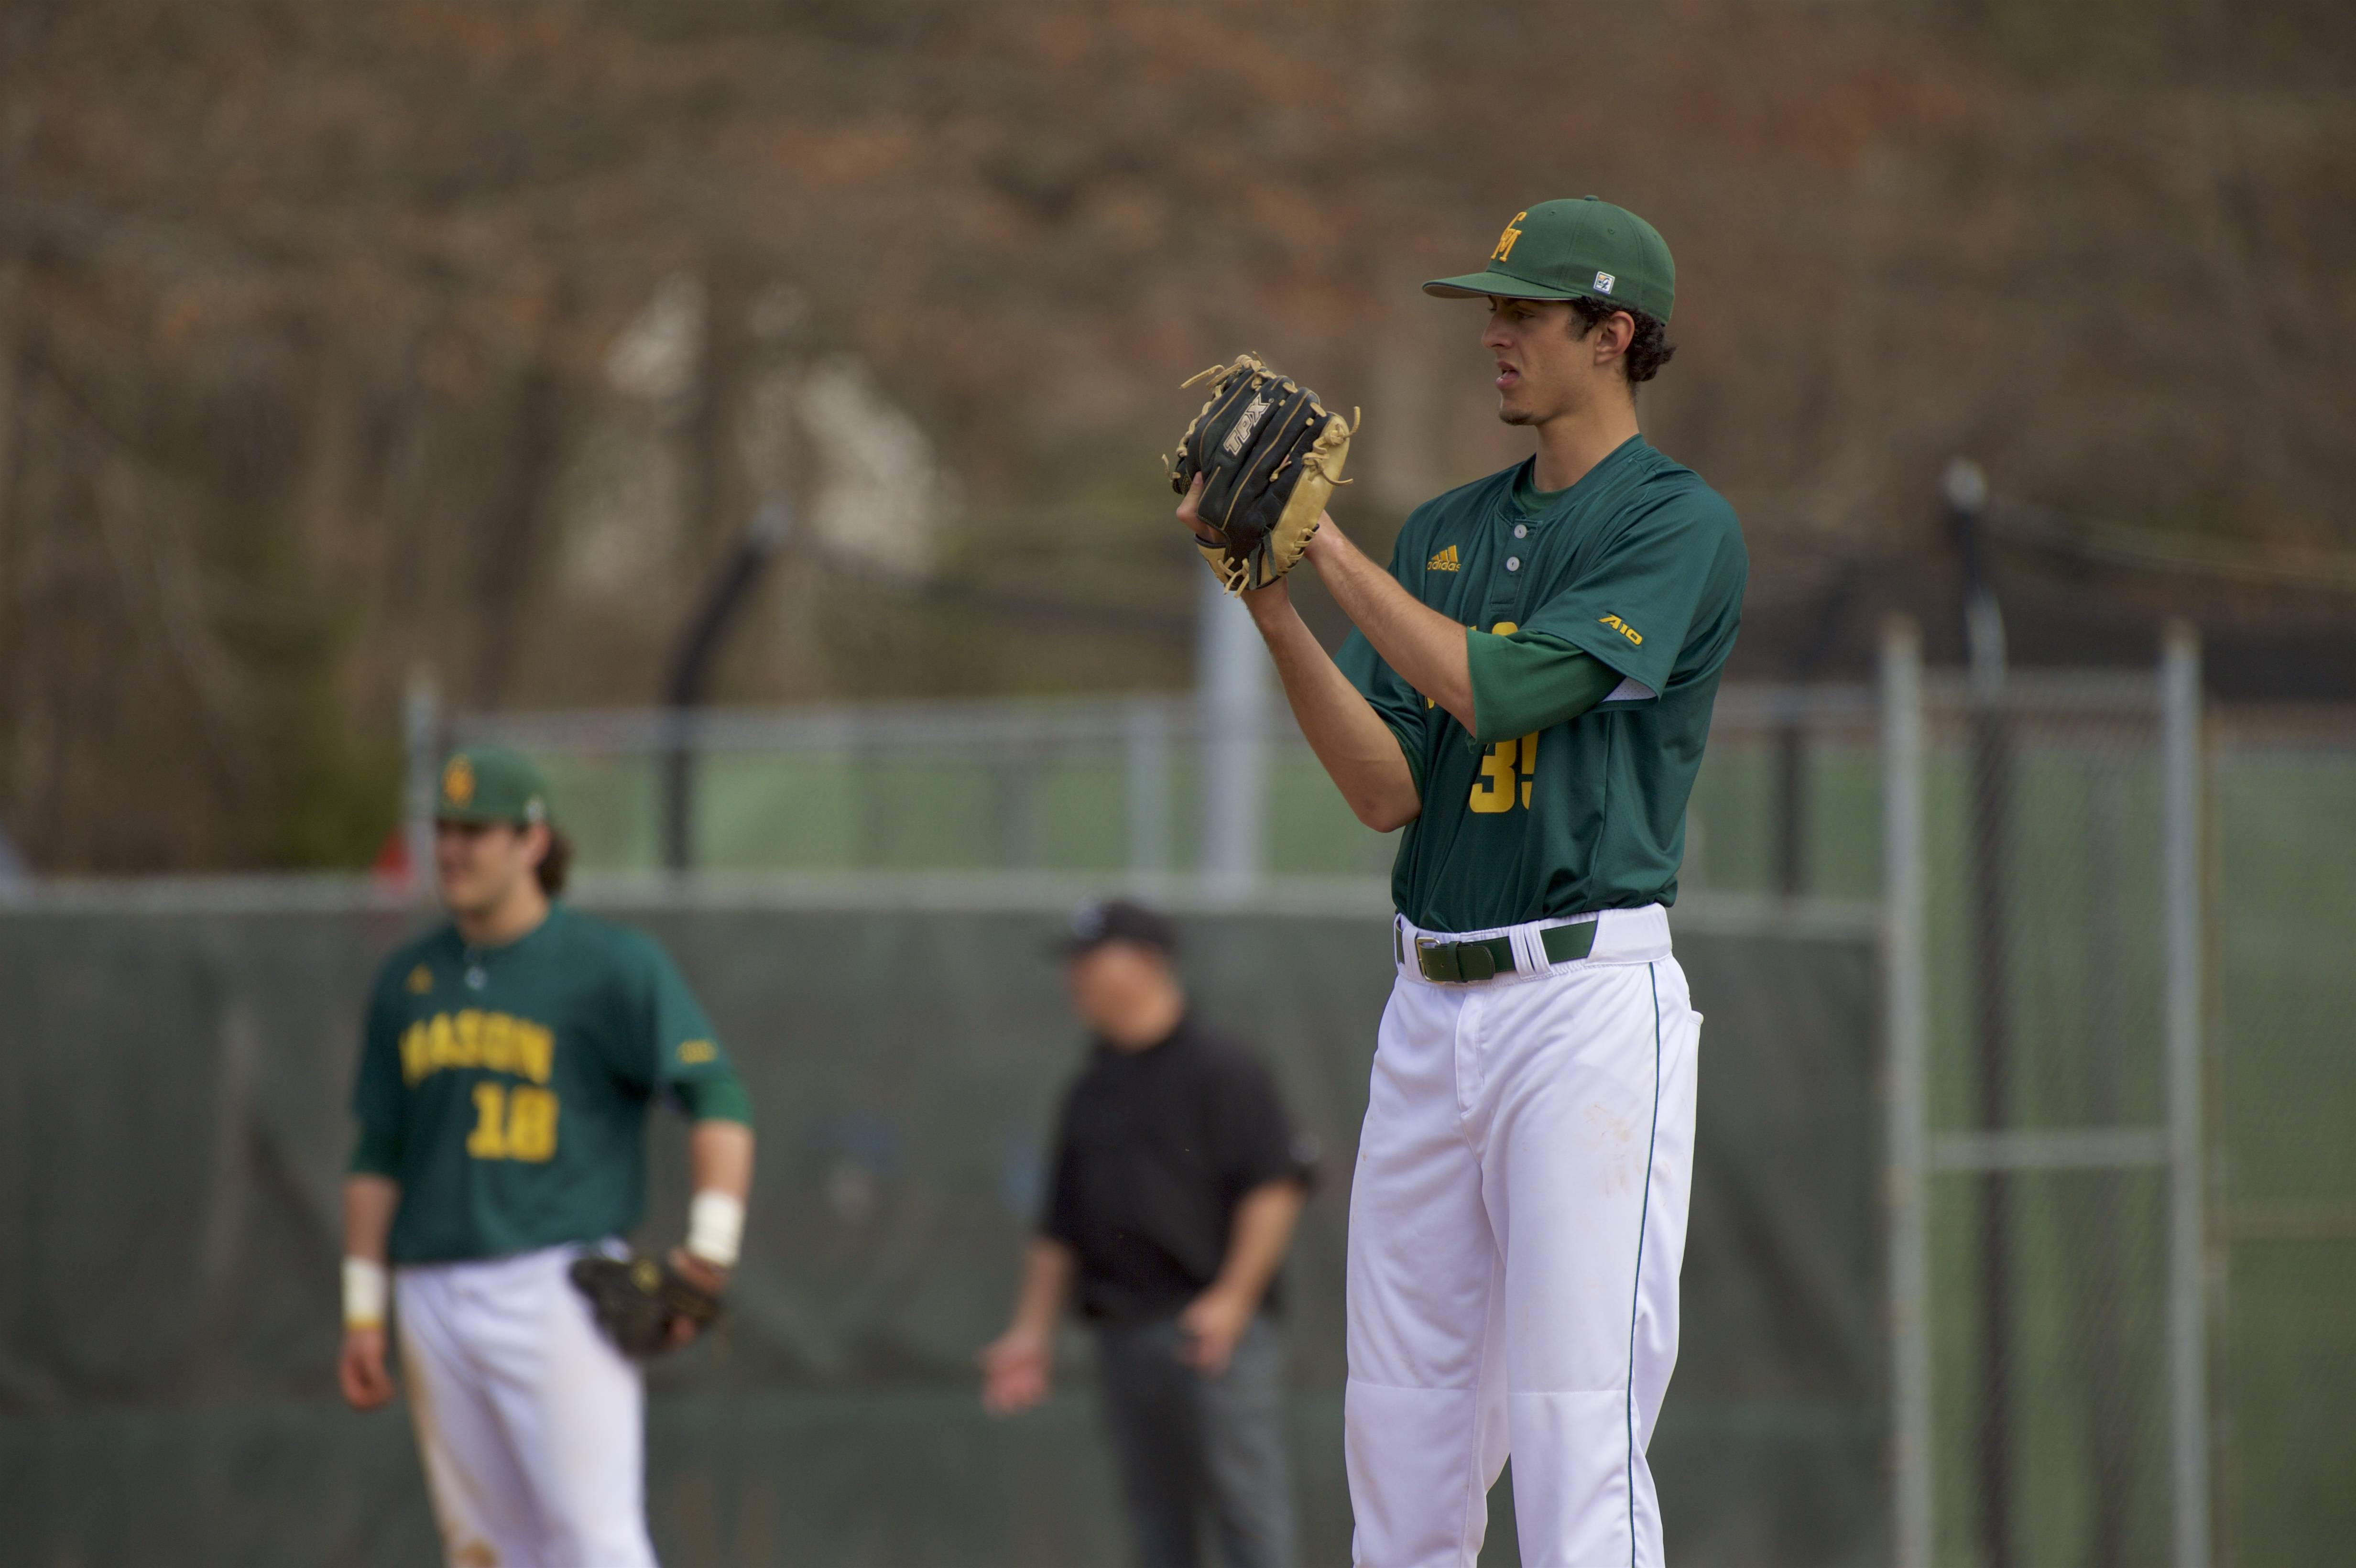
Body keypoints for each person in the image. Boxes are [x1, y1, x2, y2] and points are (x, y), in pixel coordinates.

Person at [1177, 197, 1745, 1568]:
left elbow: (1500, 692)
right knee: (1403, 1430)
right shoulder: (1445, 529)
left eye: (1525, 311)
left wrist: (1321, 541)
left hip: (1581, 1009)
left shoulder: (1674, 524)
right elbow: (1386, 787)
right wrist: (1268, 596)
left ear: (1612, 334)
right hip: (1429, 1004)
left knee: (1571, 1429)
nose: (1494, 333)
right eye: (1491, 308)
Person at [337, 744, 757, 1568]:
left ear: (532, 841)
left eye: (476, 831)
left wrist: (710, 1250)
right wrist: (361, 1309)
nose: (452, 850)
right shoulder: (408, 981)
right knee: (484, 1552)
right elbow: (377, 1151)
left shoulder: (607, 966)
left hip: (556, 1282)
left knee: (595, 1542)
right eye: (443, 829)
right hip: (430, 1289)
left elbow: (719, 1098)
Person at [980, 898, 1316, 1568]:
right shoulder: (1091, 1086)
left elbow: (1275, 1187)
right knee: (1155, 1526)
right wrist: (1031, 1332)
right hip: (1123, 1335)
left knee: (1248, 1513)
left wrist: (1232, 1301)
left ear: (1148, 962)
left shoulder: (1224, 1066)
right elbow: (1059, 1225)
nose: (1074, 977)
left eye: (1090, 959)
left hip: (1211, 1336)